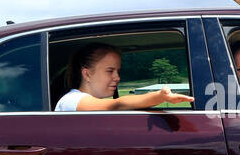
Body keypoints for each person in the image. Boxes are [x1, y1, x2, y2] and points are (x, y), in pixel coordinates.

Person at [55, 42, 195, 111]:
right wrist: (160, 96)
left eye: (118, 71)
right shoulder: (71, 101)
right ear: (87, 74)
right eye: (110, 71)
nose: (117, 78)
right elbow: (118, 104)